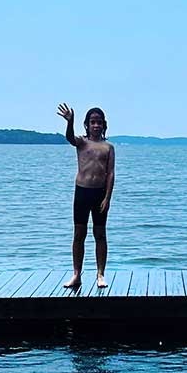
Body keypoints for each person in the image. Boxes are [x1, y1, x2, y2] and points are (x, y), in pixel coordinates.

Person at [56, 103, 115, 288]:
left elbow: (111, 173)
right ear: (87, 125)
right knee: (79, 235)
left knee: (100, 234)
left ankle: (100, 274)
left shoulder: (108, 147)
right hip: (82, 192)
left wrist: (107, 198)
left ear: (104, 125)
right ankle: (76, 274)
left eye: (99, 122)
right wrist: (69, 121)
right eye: (92, 122)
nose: (96, 125)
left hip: (99, 194)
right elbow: (69, 138)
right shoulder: (82, 142)